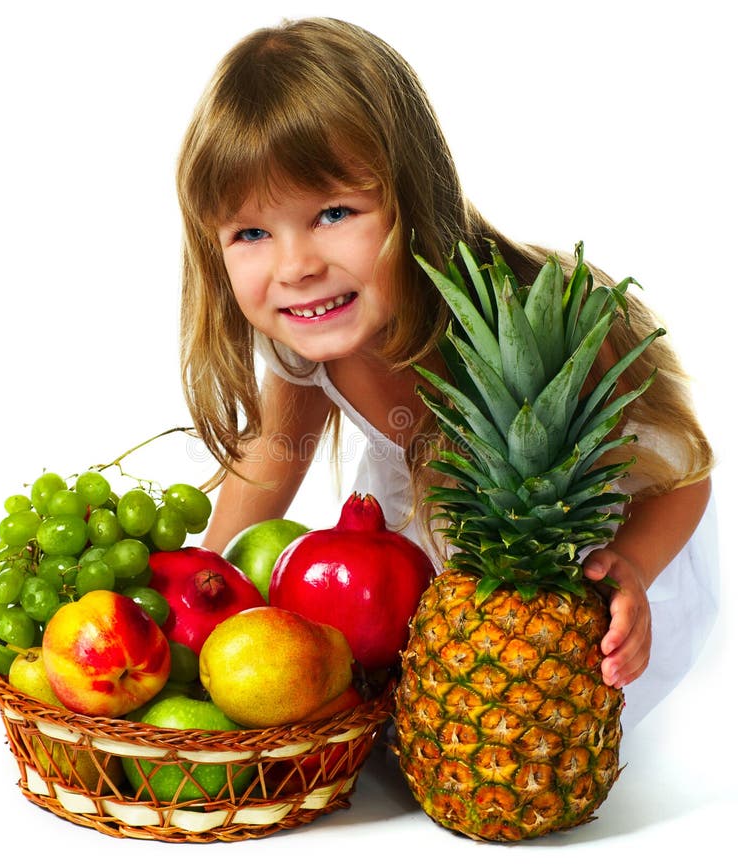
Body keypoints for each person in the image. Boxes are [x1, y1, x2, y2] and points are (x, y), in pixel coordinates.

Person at [174, 17, 718, 729]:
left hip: (573, 581)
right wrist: (197, 596)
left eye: (334, 212)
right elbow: (272, 456)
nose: (296, 266)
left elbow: (682, 474)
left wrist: (633, 567)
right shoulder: (308, 341)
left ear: (414, 198)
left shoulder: (541, 326)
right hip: (429, 570)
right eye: (251, 232)